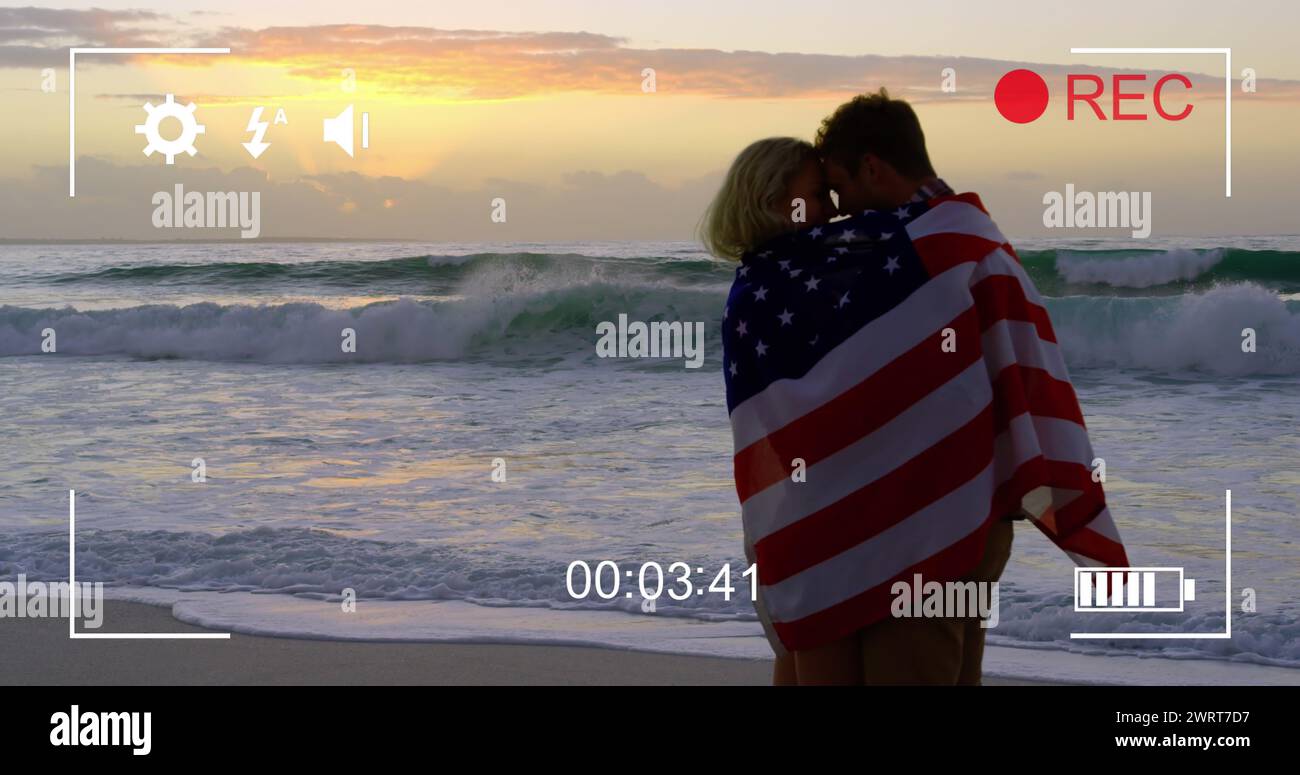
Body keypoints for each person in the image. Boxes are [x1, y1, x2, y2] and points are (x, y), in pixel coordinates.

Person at [705, 89, 1127, 686]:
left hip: (943, 515)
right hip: (867, 520)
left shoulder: (934, 247)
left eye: (837, 189)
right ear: (775, 203)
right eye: (820, 197)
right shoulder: (938, 244)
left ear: (872, 169)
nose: (838, 210)